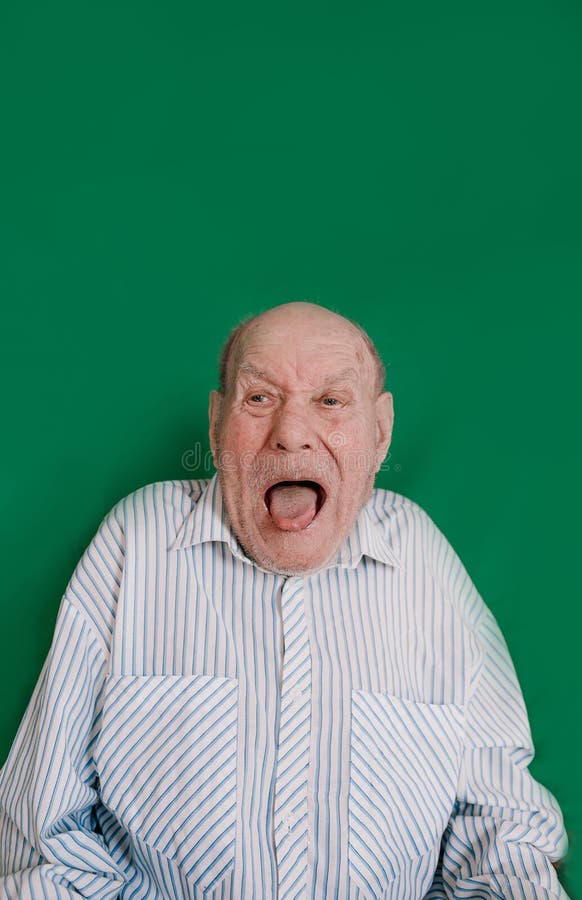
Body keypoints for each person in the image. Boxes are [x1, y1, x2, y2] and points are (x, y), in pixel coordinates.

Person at [0, 302, 568, 899]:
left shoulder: (424, 559)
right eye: (259, 398)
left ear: (381, 432)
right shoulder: (135, 541)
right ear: (218, 424)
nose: (292, 433)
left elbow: (500, 827)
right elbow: (45, 833)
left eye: (330, 401)